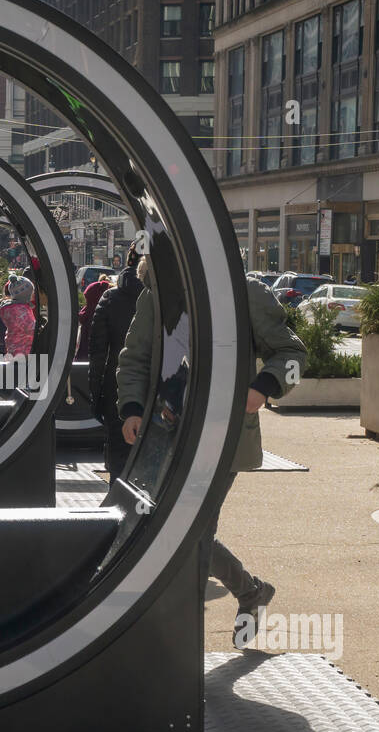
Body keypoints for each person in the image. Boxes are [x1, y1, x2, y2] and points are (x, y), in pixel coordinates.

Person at [116, 272, 307, 644]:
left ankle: (181, 643)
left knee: (193, 531)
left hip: (223, 437)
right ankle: (250, 592)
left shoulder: (246, 293)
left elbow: (293, 353)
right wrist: (132, 407)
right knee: (167, 525)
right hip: (164, 434)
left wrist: (263, 388)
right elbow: (135, 357)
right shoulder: (157, 296)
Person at [88, 252, 143, 476]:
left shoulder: (111, 298)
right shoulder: (163, 299)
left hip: (116, 386)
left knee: (119, 459)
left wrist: (95, 394)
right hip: (155, 388)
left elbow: (97, 351)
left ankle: (117, 503)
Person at [0, 274, 37, 358]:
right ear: (26, 294)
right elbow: (30, 328)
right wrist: (39, 326)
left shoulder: (10, 308)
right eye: (32, 292)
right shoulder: (20, 310)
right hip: (23, 349)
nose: (34, 294)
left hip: (13, 346)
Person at [76, 278, 110, 360]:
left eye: (87, 300)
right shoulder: (106, 318)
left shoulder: (91, 319)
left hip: (87, 364)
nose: (85, 305)